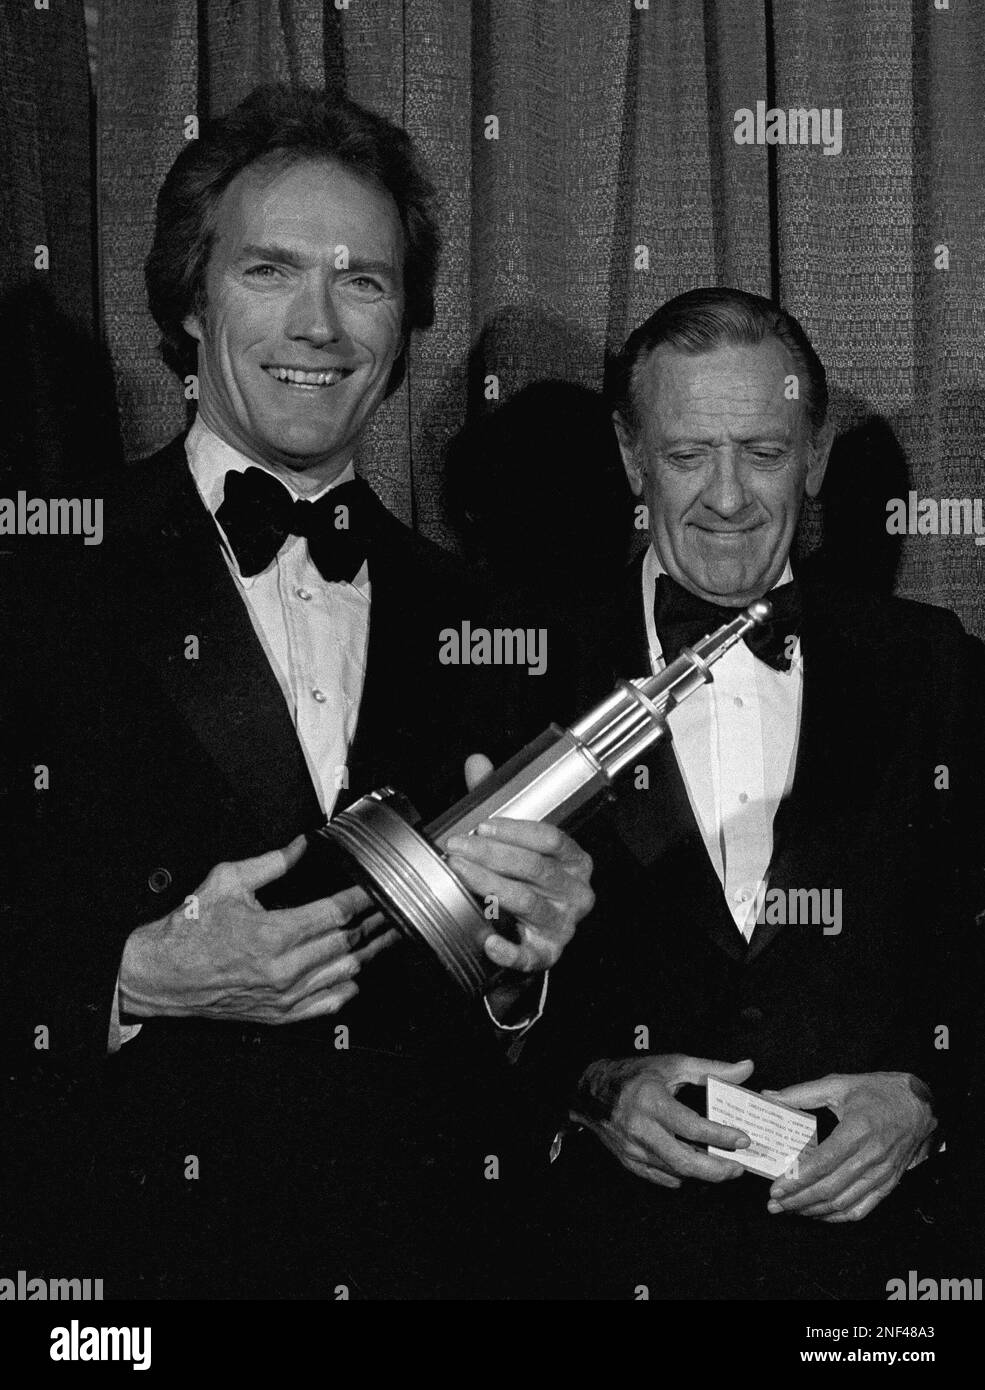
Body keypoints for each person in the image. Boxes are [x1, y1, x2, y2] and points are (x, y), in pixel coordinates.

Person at [4, 84, 593, 1300]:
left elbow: (530, 1052)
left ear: (405, 320)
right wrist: (131, 977)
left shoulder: (489, 623)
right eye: (270, 271)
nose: (318, 324)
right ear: (187, 298)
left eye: (363, 281)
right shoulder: (37, 575)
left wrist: (522, 976)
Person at [526, 286, 985, 1300]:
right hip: (602, 1269)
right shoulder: (521, 674)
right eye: (688, 454)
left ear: (814, 456)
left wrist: (929, 1100)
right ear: (629, 454)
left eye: (764, 453)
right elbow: (444, 1002)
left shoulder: (935, 672)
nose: (727, 497)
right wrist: (591, 1088)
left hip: (874, 1286)